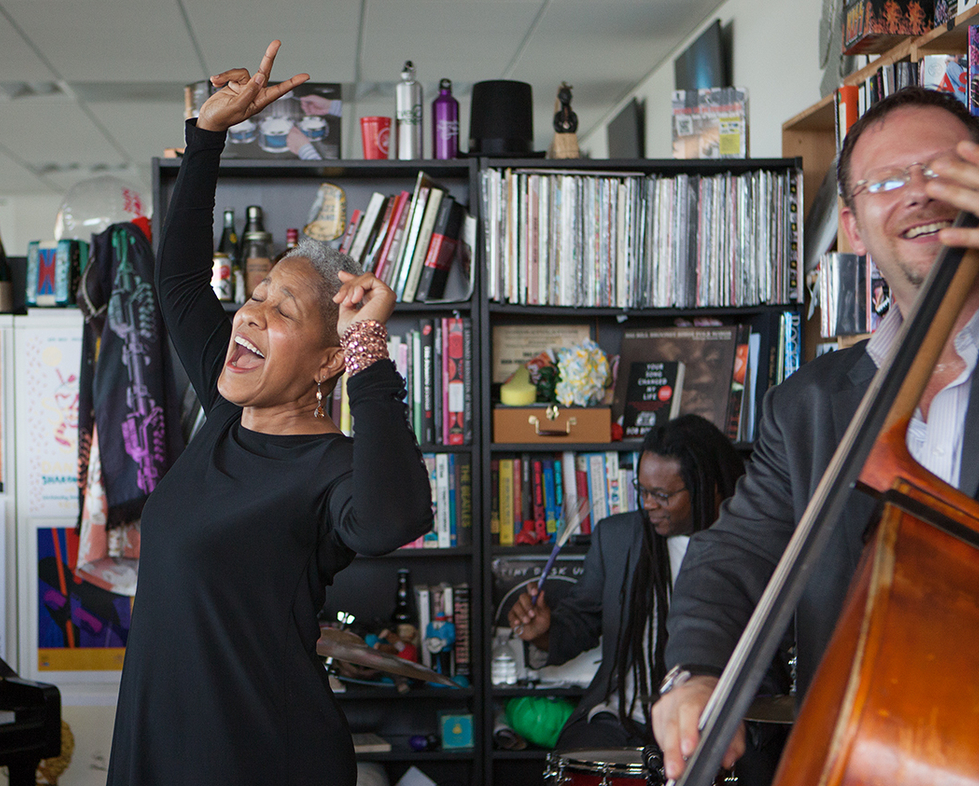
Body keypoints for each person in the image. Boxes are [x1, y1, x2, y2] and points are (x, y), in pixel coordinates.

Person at [652, 86, 979, 785]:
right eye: (886, 182)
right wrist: (696, 673)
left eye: (945, 170)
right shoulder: (807, 406)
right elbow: (735, 553)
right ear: (852, 224)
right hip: (874, 752)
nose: (918, 195)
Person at [106, 40, 433, 786]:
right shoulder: (226, 413)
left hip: (259, 758)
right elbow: (182, 278)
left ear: (326, 362)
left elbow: (390, 521)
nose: (249, 315)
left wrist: (369, 350)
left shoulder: (333, 468)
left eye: (279, 309)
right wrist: (207, 137)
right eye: (253, 296)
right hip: (158, 745)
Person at [509, 415, 787, 781]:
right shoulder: (618, 539)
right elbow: (581, 622)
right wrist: (545, 630)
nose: (649, 505)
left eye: (663, 495)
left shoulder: (746, 551)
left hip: (714, 717)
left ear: (710, 487)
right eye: (643, 491)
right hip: (622, 715)